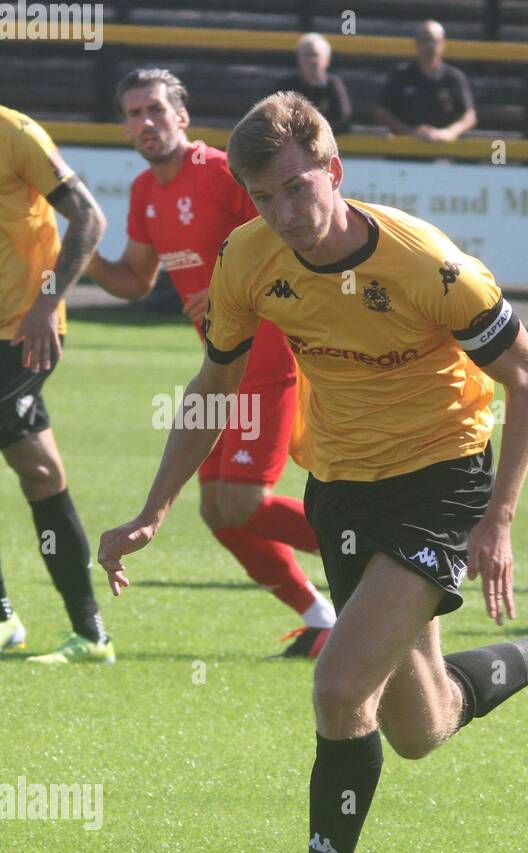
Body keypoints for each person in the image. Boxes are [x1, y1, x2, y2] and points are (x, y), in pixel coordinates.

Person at [98, 93, 528, 853]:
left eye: (294, 190)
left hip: (442, 477)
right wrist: (154, 507)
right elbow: (215, 383)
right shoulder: (248, 259)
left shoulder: (428, 265)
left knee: (340, 688)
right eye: (262, 197)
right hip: (341, 484)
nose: (282, 213)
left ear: (333, 171)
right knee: (422, 726)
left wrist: (499, 516)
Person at [86, 68, 335, 657]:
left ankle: (376, 550)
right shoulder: (147, 193)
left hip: (271, 354)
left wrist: (230, 285)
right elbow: (132, 280)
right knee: (219, 513)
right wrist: (74, 251)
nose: (144, 122)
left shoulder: (222, 170)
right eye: (132, 113)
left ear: (182, 116)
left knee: (243, 502)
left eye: (154, 109)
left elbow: (287, 234)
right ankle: (319, 615)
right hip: (222, 367)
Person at [0, 105, 113, 665]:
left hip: (24, 334)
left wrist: (46, 303)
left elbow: (89, 219)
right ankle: (90, 635)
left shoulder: (16, 134)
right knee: (40, 472)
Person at [374, 21, 476, 144]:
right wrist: (412, 132)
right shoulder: (400, 75)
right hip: (403, 153)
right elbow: (382, 113)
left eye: (433, 40)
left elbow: (469, 116)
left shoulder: (454, 77)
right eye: (424, 40)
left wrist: (447, 133)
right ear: (416, 43)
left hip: (444, 154)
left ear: (443, 43)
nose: (429, 45)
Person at [278, 33, 352, 135]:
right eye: (307, 55)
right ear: (299, 59)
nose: (311, 60)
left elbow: (344, 119)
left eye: (315, 55)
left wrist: (316, 133)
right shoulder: (286, 86)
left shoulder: (334, 85)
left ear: (327, 60)